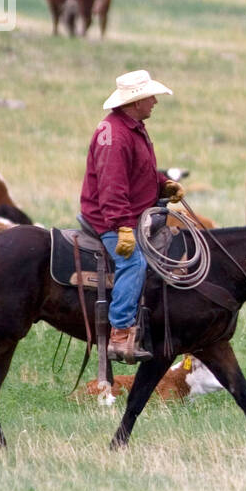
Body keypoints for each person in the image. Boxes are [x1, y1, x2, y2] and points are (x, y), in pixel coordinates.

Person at [79, 70, 184, 363]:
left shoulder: (133, 126)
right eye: (150, 96)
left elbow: (141, 171)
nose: (155, 102)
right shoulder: (113, 135)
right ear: (135, 101)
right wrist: (124, 228)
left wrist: (163, 184)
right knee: (134, 261)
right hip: (109, 217)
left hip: (132, 212)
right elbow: (112, 188)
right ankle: (121, 333)